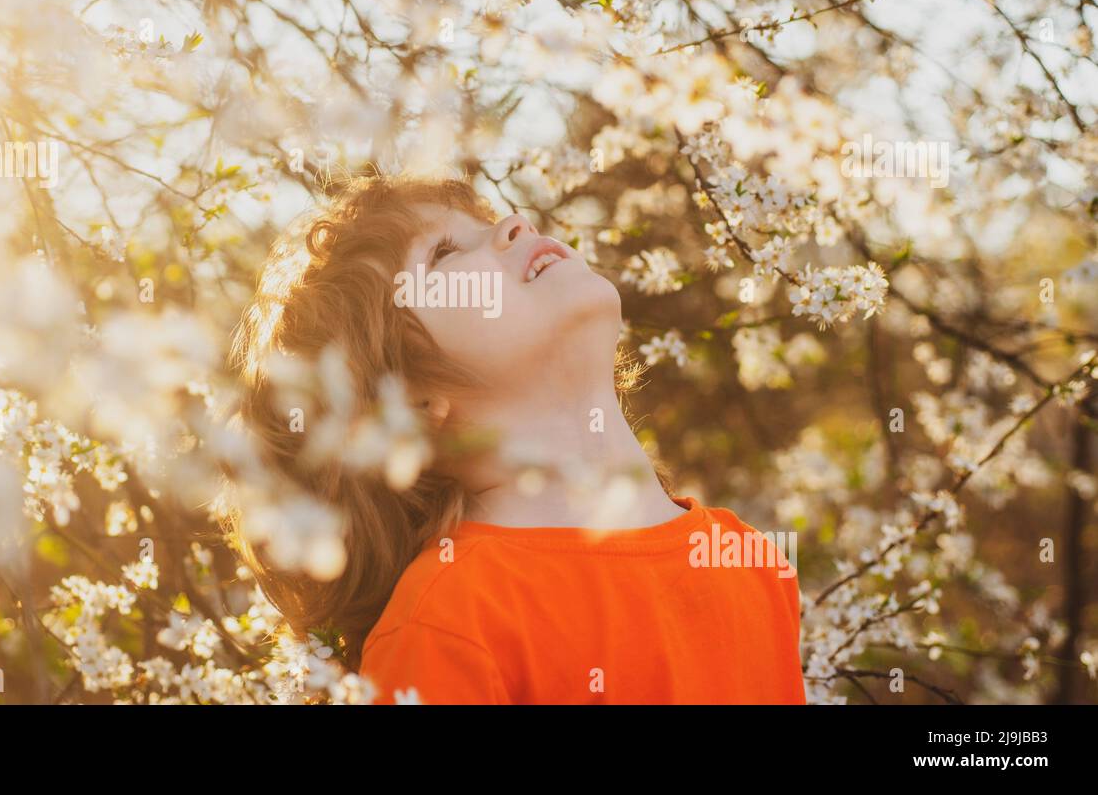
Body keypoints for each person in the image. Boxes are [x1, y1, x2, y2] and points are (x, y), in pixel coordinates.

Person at [227, 174, 805, 704]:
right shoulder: (448, 622)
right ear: (406, 406)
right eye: (445, 252)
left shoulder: (751, 559)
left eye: (491, 220)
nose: (513, 225)